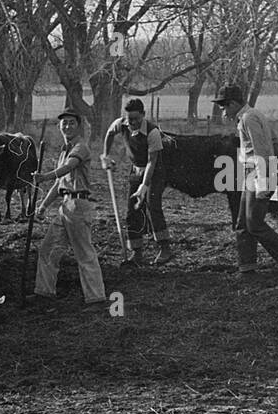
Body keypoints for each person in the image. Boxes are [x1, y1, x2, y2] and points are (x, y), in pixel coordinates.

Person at [211, 82, 278, 280]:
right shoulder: (252, 115)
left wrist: (264, 182)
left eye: (224, 106)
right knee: (243, 223)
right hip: (253, 173)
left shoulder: (248, 119)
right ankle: (247, 268)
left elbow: (263, 151)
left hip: (259, 174)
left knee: (254, 223)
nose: (222, 111)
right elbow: (277, 144)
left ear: (234, 103)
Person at [32, 110, 108, 308]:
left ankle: (96, 298)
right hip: (65, 205)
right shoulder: (64, 150)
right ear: (59, 127)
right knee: (48, 249)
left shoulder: (81, 147)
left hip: (79, 205)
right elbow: (60, 183)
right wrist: (43, 205)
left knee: (84, 253)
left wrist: (44, 177)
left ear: (79, 126)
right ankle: (44, 293)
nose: (67, 127)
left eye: (71, 123)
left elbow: (68, 168)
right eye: (64, 123)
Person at [101, 98, 174, 265]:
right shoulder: (122, 123)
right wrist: (105, 155)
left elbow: (152, 161)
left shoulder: (153, 132)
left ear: (143, 115)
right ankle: (137, 252)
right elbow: (109, 133)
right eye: (129, 119)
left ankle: (165, 249)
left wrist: (144, 185)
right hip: (135, 170)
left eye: (135, 119)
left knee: (152, 205)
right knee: (132, 210)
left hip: (154, 173)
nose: (132, 122)